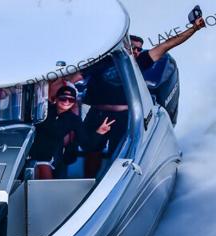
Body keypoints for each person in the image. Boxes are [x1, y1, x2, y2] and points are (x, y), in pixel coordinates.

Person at [81, 15, 207, 177]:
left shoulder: (141, 62)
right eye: (133, 47)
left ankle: (111, 182)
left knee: (117, 153)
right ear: (123, 46)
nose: (137, 51)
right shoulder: (102, 60)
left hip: (122, 116)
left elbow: (168, 44)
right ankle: (89, 181)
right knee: (92, 151)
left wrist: (194, 28)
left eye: (140, 49)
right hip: (97, 113)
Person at [31, 87, 112, 179]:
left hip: (46, 158)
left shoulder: (73, 120)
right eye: (63, 98)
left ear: (74, 102)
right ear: (56, 99)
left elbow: (86, 144)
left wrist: (99, 132)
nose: (66, 102)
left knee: (44, 185)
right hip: (28, 152)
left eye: (70, 99)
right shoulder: (42, 110)